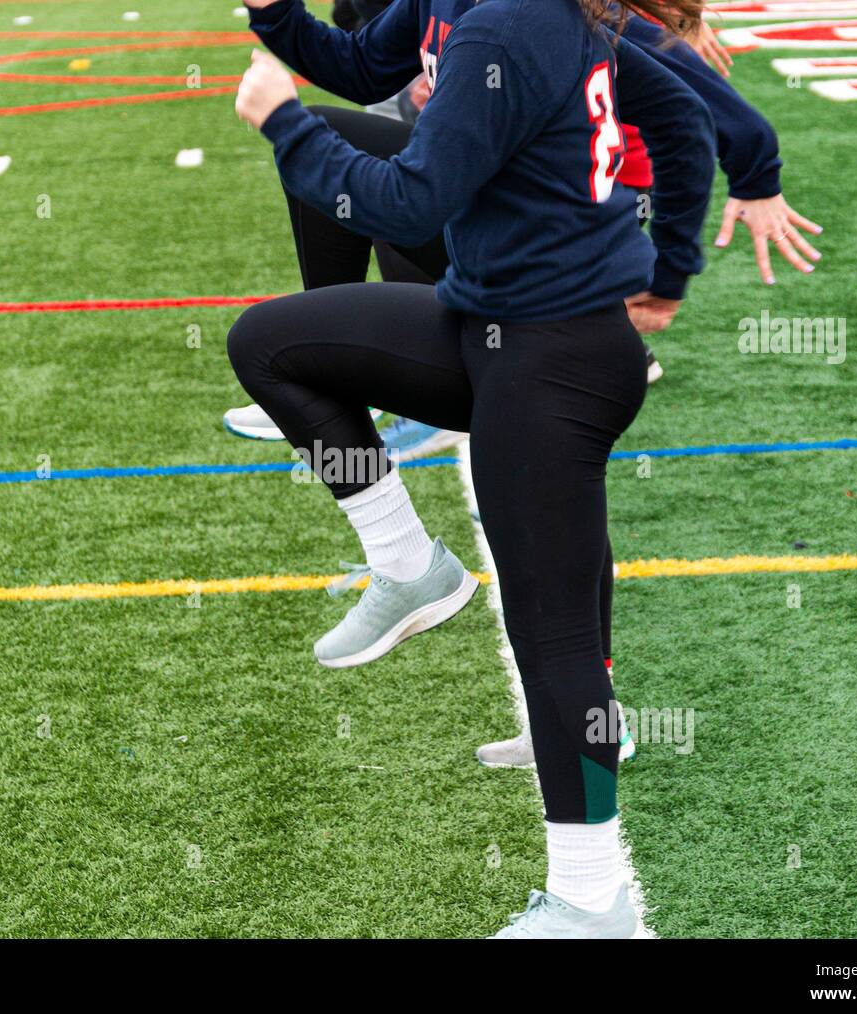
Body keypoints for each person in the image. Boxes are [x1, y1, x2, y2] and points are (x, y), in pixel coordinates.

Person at [225, 0, 716, 937]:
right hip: (491, 330)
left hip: (552, 362)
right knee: (273, 345)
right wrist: (670, 268)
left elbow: (409, 202)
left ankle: (591, 902)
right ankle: (410, 565)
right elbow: (686, 119)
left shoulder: (508, 23)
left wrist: (285, 121)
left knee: (555, 637)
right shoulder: (548, 13)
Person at [223, 1, 824, 452]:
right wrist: (274, 13)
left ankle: (584, 334)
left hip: (557, 226)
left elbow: (698, 107)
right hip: (509, 203)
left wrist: (754, 181)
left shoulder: (547, 16)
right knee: (373, 162)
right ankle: (345, 372)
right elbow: (361, 68)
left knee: (394, 196)